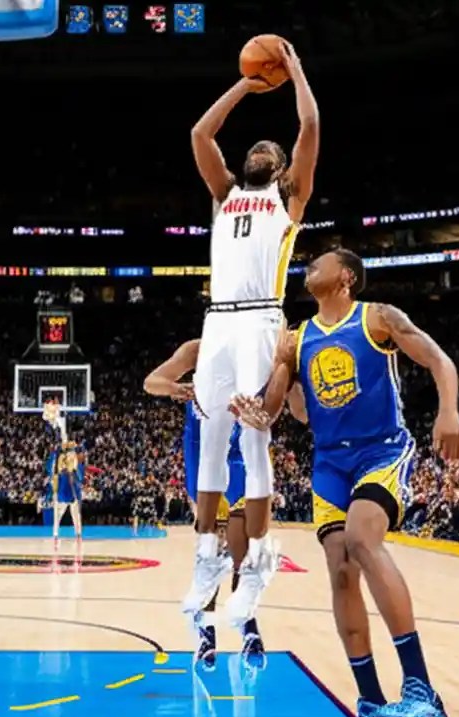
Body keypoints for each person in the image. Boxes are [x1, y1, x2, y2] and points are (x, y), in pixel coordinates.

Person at [235, 247, 459, 717]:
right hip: (329, 464)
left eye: (319, 262)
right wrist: (267, 388)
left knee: (361, 539)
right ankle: (371, 699)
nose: (308, 267)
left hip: (380, 450)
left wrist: (448, 410)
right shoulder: (297, 339)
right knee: (340, 570)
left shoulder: (377, 317)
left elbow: (439, 358)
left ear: (346, 276)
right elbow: (276, 411)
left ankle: (421, 688)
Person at [185, 38, 320, 628]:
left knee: (250, 435)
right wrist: (246, 85)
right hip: (217, 320)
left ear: (285, 167)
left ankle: (259, 560)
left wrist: (291, 73)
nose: (262, 148)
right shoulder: (225, 196)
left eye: (272, 146)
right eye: (257, 145)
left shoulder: (288, 199)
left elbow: (310, 122)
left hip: (262, 314)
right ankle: (207, 556)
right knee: (212, 434)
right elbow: (199, 135)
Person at [144, 339, 287, 669]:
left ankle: (248, 625)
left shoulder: (265, 348)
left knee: (245, 547)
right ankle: (207, 631)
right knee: (214, 544)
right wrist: (175, 388)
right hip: (204, 446)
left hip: (245, 445)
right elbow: (151, 382)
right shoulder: (199, 348)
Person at [49, 440, 84, 549]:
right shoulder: (63, 463)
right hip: (64, 493)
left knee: (74, 516)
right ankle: (56, 536)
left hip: (69, 493)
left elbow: (76, 477)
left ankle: (77, 535)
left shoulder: (73, 466)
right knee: (59, 516)